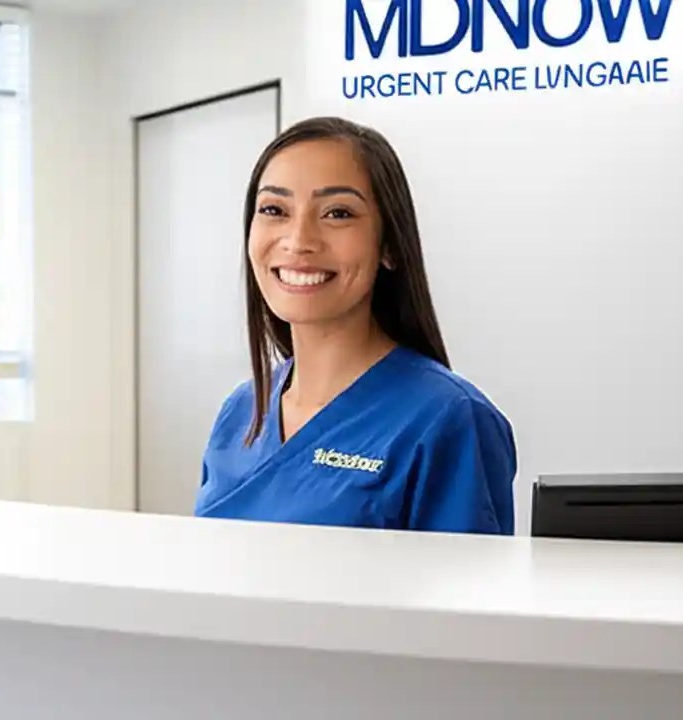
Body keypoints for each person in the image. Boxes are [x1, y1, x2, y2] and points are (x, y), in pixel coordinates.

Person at [194, 116, 516, 534]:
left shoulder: (448, 420)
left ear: (389, 246)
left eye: (337, 213)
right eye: (275, 210)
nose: (298, 241)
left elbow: (465, 596)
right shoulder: (240, 412)